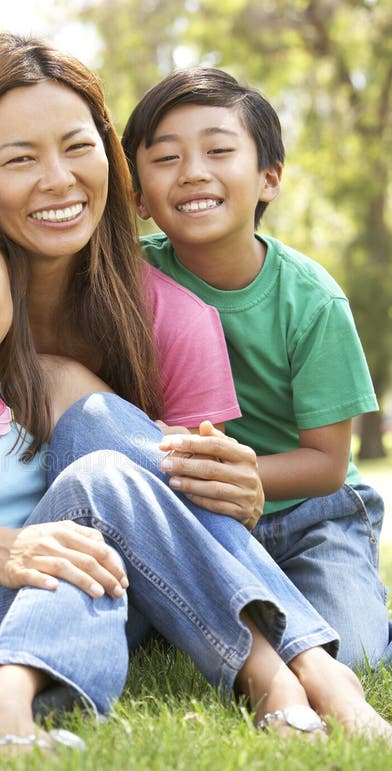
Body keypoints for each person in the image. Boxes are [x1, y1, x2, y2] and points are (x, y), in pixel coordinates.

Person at [0, 176, 391, 750]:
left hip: (46, 588)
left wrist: (225, 475)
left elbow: (152, 480)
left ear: (11, 275)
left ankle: (5, 696)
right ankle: (289, 669)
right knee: (96, 509)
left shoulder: (52, 382)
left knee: (101, 503)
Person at [121, 67, 392, 669]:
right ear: (136, 194)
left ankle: (352, 604)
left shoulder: (313, 301)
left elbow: (325, 463)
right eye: (165, 158)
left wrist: (248, 476)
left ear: (269, 179)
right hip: (194, 509)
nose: (193, 171)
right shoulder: (127, 279)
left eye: (219, 150)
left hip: (308, 514)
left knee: (354, 654)